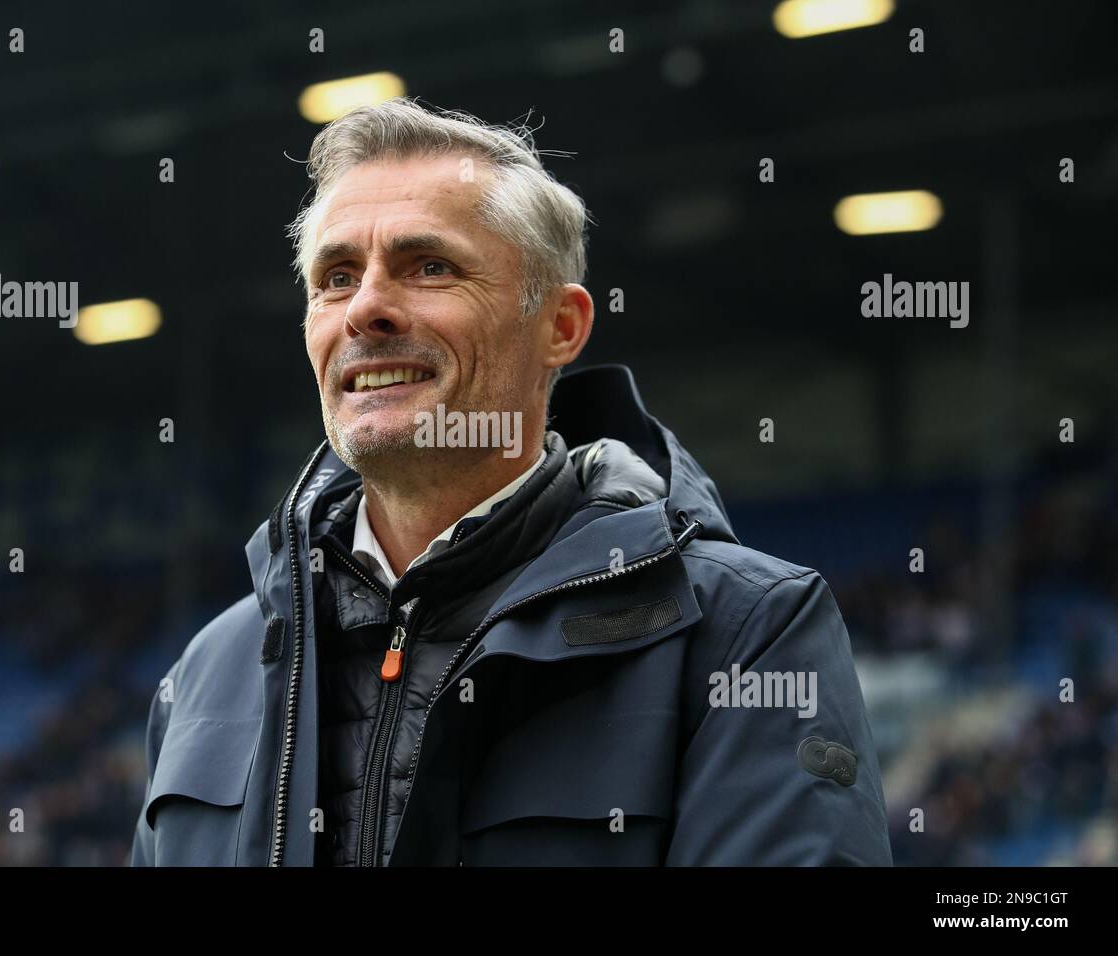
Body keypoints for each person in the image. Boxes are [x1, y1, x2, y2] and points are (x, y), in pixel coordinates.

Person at [129, 96, 892, 866]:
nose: (366, 310)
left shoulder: (744, 634)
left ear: (560, 327)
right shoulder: (208, 672)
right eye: (335, 277)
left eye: (429, 266)